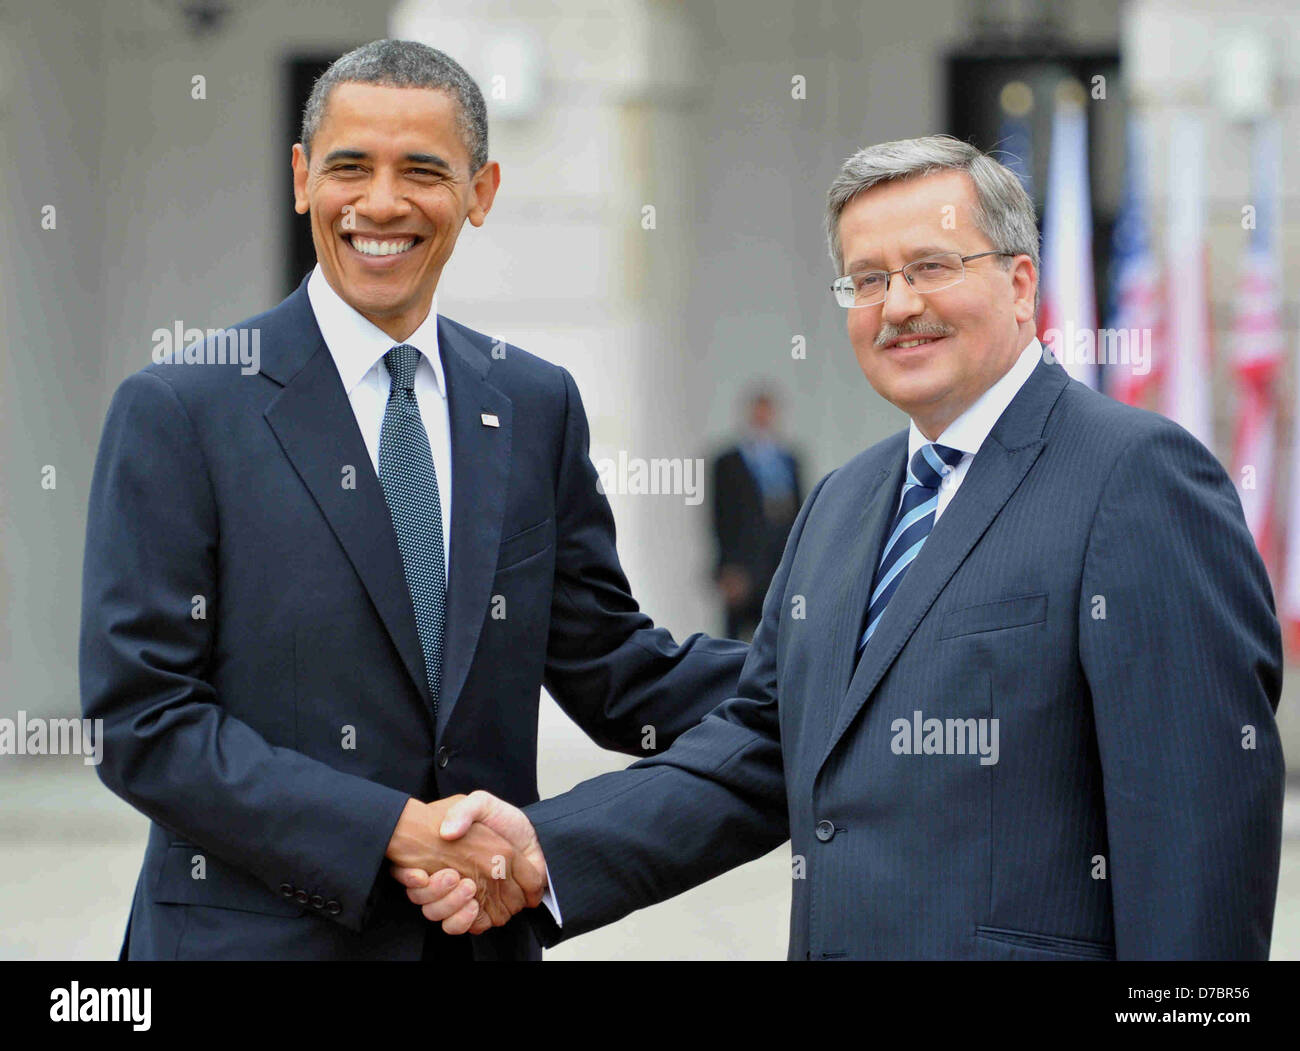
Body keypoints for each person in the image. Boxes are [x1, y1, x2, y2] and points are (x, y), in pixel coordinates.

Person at [400, 135, 1286, 960]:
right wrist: (545, 846)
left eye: (932, 267)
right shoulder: (843, 502)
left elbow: (1194, 834)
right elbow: (762, 746)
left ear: (1022, 284)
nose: (898, 305)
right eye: (866, 280)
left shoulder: (1139, 480)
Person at [79, 39, 745, 962]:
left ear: (481, 192)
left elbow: (614, 668)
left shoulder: (533, 403)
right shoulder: (182, 407)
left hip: (474, 946)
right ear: (304, 177)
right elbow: (140, 721)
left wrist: (837, 673)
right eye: (351, 167)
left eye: (423, 171)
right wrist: (393, 828)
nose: (382, 203)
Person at [711, 388, 802, 640]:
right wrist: (726, 567)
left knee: (776, 634)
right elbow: (719, 517)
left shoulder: (789, 460)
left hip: (777, 564)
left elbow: (800, 514)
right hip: (742, 566)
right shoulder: (727, 462)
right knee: (734, 638)